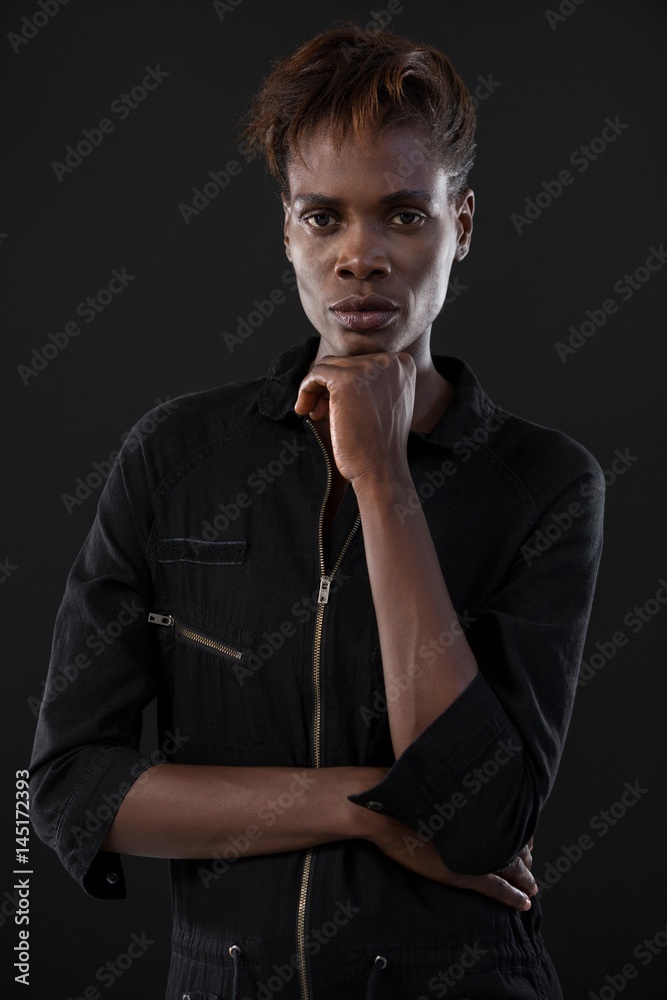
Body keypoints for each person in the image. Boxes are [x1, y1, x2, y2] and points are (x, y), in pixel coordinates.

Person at [29, 21, 605, 1000]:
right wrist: (364, 807)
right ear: (285, 230)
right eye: (323, 216)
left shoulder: (544, 482)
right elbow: (71, 788)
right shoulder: (176, 458)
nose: (360, 256)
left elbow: (473, 823)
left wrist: (382, 479)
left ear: (460, 226)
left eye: (403, 216)